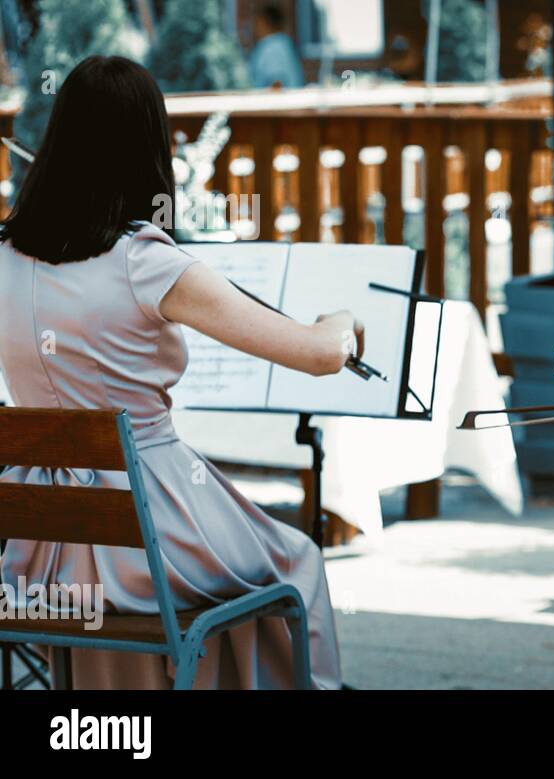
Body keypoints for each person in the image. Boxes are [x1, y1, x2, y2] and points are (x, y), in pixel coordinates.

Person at [0, 55, 360, 688]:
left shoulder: (4, 254)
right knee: (296, 562)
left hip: (37, 552)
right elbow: (319, 355)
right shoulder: (146, 261)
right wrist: (341, 318)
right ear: (147, 145)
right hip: (150, 524)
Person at [248, 4, 304, 90]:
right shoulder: (282, 44)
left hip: (276, 102)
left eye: (255, 23)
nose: (252, 28)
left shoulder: (272, 48)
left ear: (262, 22)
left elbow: (277, 84)